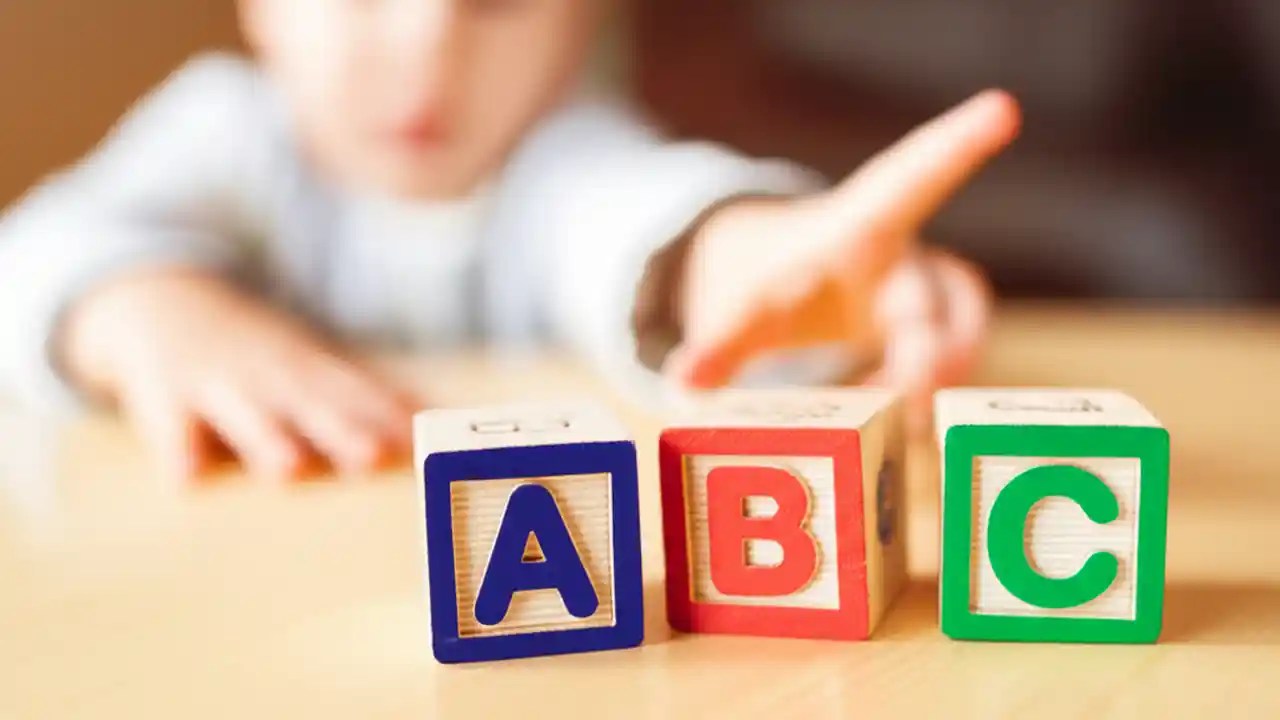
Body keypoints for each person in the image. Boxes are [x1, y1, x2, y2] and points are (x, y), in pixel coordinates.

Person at [0, 0, 1019, 479]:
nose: (426, 45)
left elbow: (644, 224)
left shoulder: (561, 157)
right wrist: (141, 313)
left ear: (582, 25)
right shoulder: (223, 130)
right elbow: (34, 250)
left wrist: (756, 263)